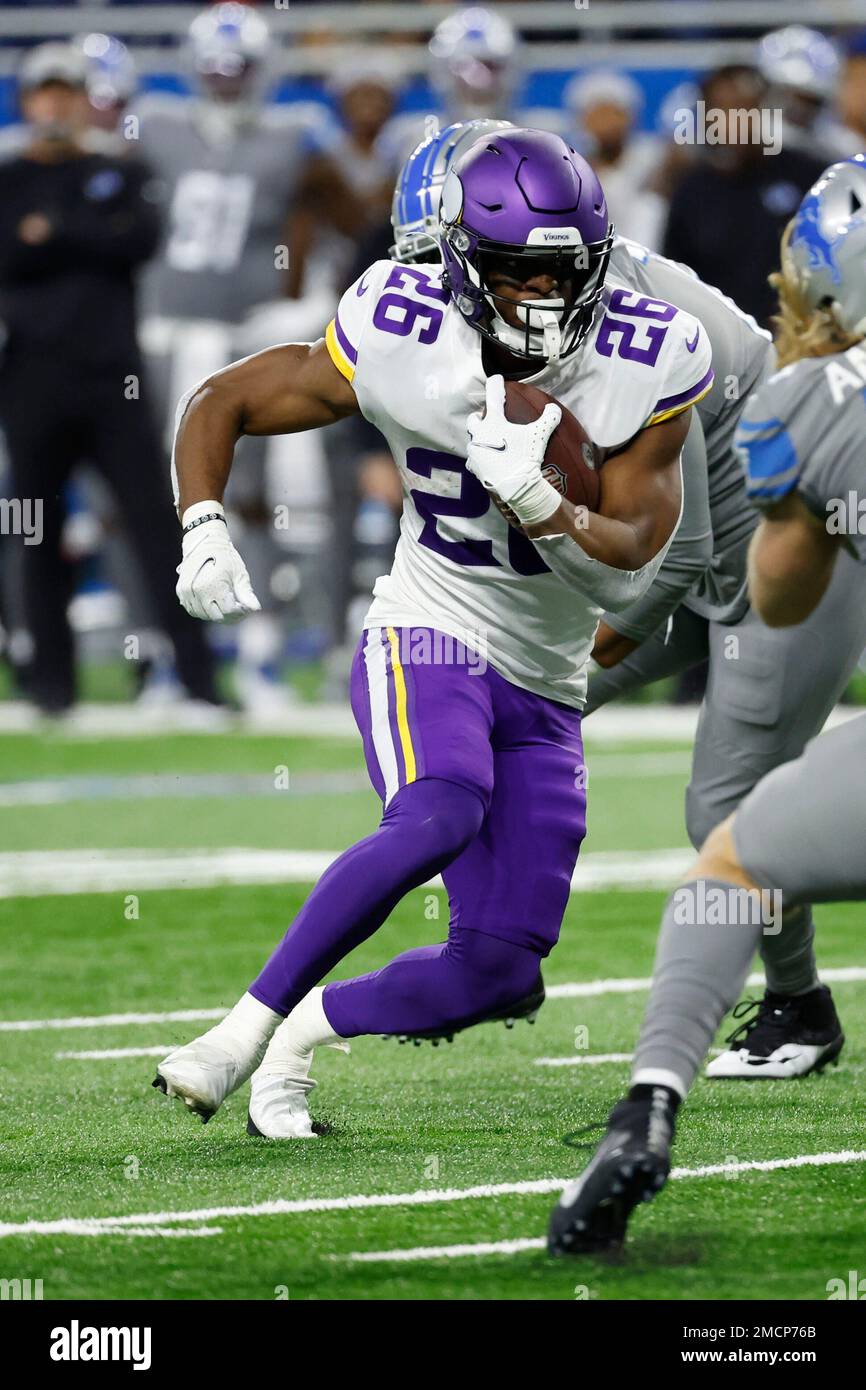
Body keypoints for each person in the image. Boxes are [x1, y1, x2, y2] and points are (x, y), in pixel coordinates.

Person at [152, 128, 712, 1140]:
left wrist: (541, 503)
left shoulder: (651, 350)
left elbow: (629, 552)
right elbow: (223, 396)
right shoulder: (400, 320)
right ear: (457, 264)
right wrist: (201, 524)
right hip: (429, 626)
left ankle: (300, 1037)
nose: (540, 292)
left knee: (499, 973)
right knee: (438, 810)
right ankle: (235, 1034)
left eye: (561, 270)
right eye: (514, 271)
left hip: (544, 677)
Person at [389, 121, 857, 1082]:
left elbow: (666, 557)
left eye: (443, 261)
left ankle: (798, 1009)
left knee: (725, 800)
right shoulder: (525, 299)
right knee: (490, 714)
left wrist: (568, 655)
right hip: (695, 558)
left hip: (783, 552)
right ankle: (493, 950)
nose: (433, 288)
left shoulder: (622, 326)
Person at [549, 157, 866, 1255]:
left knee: (725, 840)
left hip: (730, 576)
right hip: (707, 574)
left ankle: (698, 1072)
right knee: (574, 689)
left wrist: (793, 486)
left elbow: (769, 580)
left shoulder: (807, 393)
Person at [136, 2, 361, 714]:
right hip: (163, 333)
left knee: (253, 500)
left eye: (238, 69)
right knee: (158, 499)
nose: (226, 81)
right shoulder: (154, 127)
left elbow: (352, 220)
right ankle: (164, 656)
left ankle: (258, 653)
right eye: (215, 68)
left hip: (248, 336)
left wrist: (306, 290)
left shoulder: (298, 137)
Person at [0, 42, 219, 717]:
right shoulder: (10, 178)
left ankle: (197, 681)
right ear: (28, 101)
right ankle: (51, 690)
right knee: (37, 532)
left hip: (112, 378)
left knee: (155, 525)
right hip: (31, 376)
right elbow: (11, 250)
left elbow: (139, 239)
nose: (57, 105)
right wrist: (75, 234)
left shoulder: (119, 168)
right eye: (45, 93)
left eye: (67, 92)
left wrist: (53, 234)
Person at [663, 63, 827, 327]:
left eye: (746, 108)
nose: (736, 120)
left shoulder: (808, 175)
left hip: (798, 339)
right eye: (723, 110)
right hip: (721, 347)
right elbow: (675, 279)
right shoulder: (691, 190)